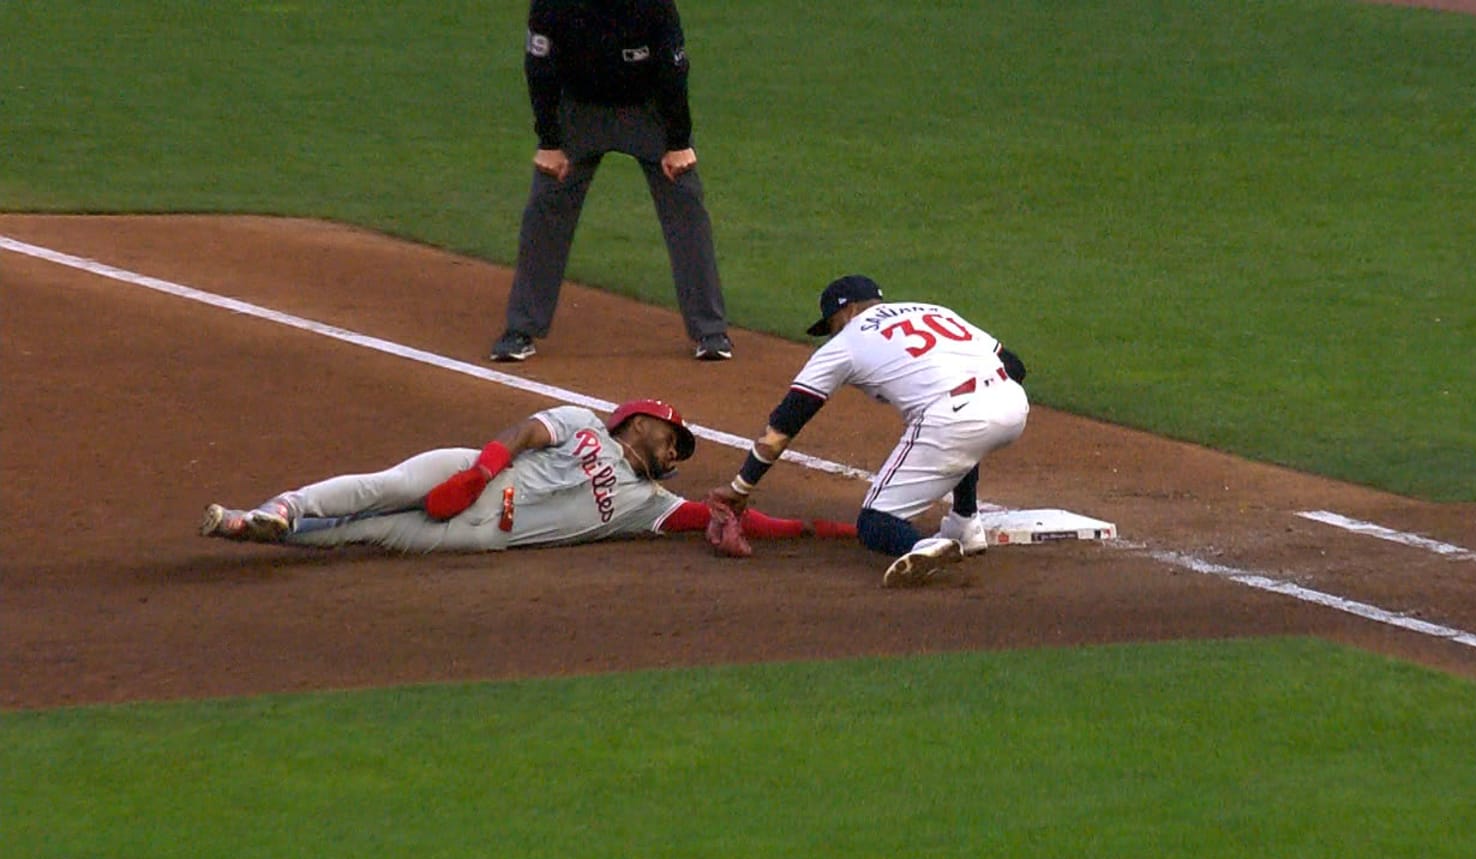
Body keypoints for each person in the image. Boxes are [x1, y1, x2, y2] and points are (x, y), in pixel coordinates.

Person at [707, 275, 1030, 588]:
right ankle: (964, 523)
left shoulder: (846, 342)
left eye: (831, 326)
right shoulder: (933, 311)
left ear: (846, 312)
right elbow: (1015, 365)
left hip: (953, 419)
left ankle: (922, 548)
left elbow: (787, 420)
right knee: (959, 440)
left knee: (875, 525)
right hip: (1013, 404)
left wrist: (741, 486)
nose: (833, 334)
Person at [201, 400, 851, 552]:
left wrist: (813, 529)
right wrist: (483, 469)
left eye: (680, 448)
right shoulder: (585, 422)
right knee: (382, 487)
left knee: (366, 534)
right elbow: (523, 435)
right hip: (480, 474)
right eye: (670, 437)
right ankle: (283, 506)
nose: (676, 452)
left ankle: (263, 531)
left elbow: (715, 514)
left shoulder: (647, 503)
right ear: (636, 422)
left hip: (488, 533)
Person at [490, 0, 733, 364]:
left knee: (686, 206)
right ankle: (520, 328)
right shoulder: (551, 5)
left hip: (649, 111)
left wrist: (679, 142)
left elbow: (673, 68)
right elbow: (539, 67)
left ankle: (711, 332)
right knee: (545, 209)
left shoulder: (653, 5)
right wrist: (550, 142)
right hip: (579, 112)